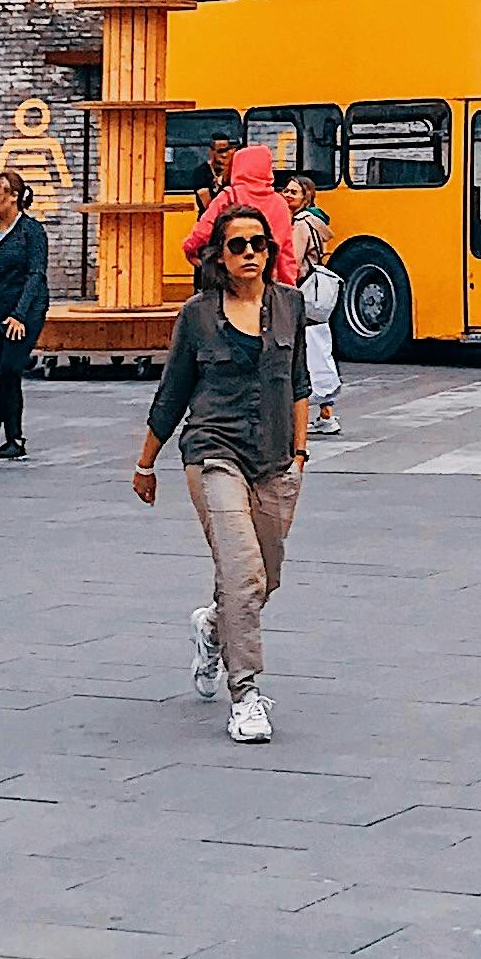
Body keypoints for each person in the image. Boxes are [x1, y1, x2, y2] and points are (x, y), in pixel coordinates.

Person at [134, 204, 310, 743]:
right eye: (238, 246)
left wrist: (300, 456)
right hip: (213, 452)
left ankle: (214, 626)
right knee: (241, 571)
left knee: (264, 578)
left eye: (259, 244)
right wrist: (146, 462)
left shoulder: (291, 307)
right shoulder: (198, 314)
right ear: (219, 255)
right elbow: (173, 392)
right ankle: (247, 695)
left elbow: (300, 383)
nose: (251, 254)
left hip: (275, 459)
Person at [0, 168, 49, 458]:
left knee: (10, 368)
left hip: (25, 309)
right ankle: (10, 434)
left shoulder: (32, 231)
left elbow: (36, 274)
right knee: (2, 369)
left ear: (14, 197)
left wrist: (19, 314)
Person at [183, 139, 297, 284]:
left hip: (232, 276)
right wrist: (289, 285)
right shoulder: (280, 203)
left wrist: (190, 248)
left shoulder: (229, 195)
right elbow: (286, 250)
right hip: (266, 277)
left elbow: (204, 228)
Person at [293, 193, 344, 438]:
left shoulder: (301, 224)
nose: (286, 195)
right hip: (316, 295)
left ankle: (308, 418)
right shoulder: (317, 223)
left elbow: (293, 261)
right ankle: (326, 414)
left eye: (293, 192)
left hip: (303, 291)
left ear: (306, 197)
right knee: (320, 350)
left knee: (308, 354)